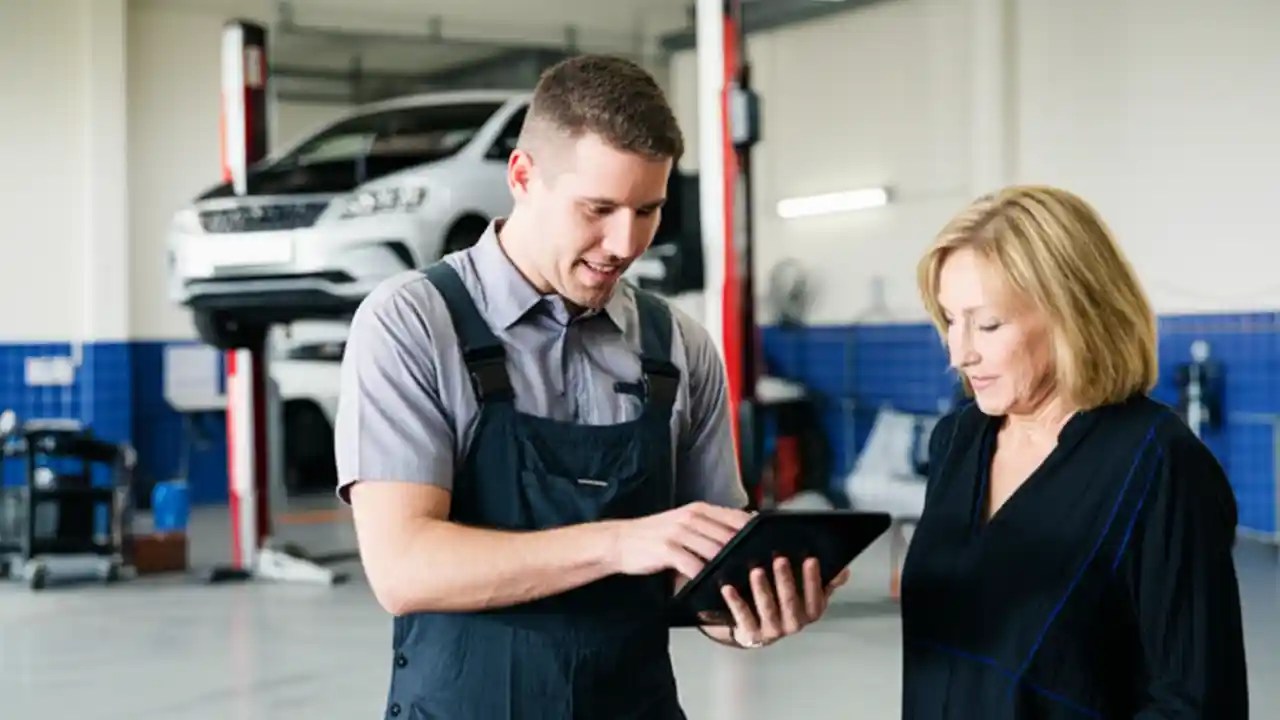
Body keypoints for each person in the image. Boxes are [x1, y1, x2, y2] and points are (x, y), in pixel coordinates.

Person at [335, 54, 847, 720]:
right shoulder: (412, 323)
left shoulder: (679, 348)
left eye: (648, 210)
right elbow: (404, 568)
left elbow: (699, 573)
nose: (623, 242)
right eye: (597, 208)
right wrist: (619, 541)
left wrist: (753, 609)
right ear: (523, 176)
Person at [900, 185, 1250, 718]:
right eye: (950, 320)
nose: (960, 352)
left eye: (988, 324)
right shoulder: (958, 440)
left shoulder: (1158, 463)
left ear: (1072, 312)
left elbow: (1196, 703)